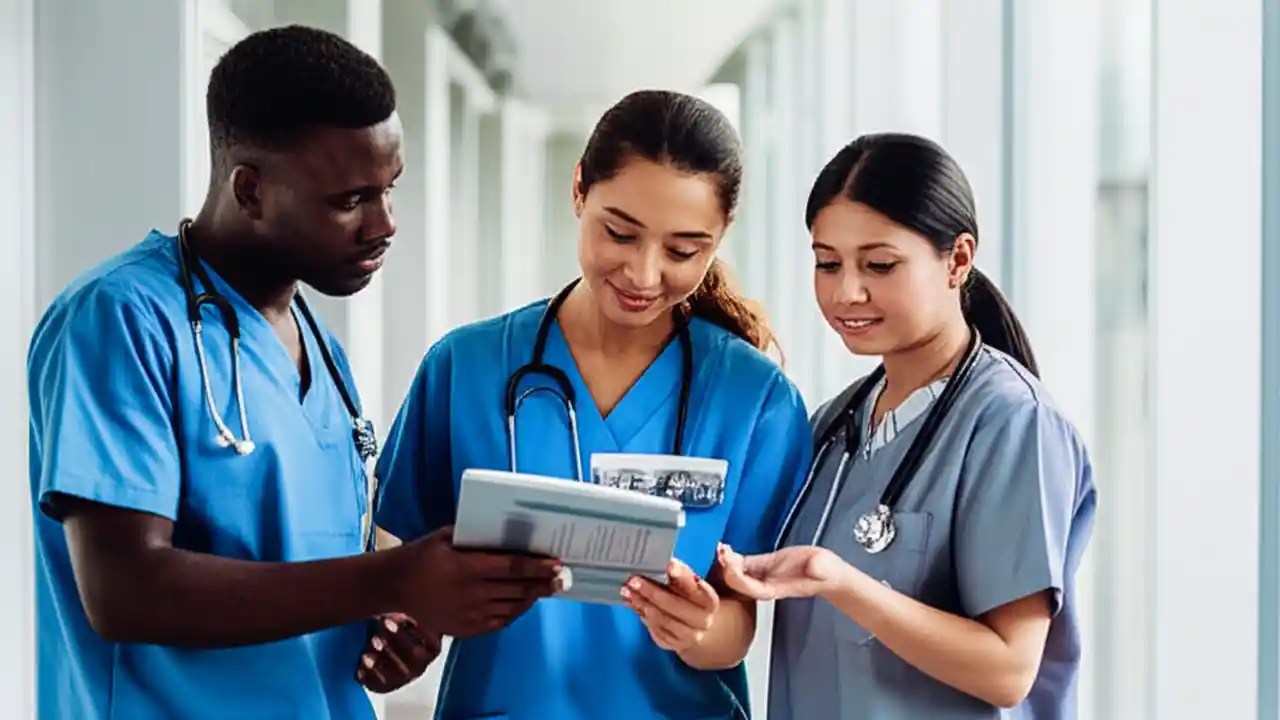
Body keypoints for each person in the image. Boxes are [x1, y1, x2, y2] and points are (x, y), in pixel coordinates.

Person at [27, 25, 558, 719]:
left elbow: (322, 586)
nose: (385, 223)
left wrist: (392, 623)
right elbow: (124, 590)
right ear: (249, 189)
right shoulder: (121, 320)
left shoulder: (324, 358)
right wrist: (389, 577)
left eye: (389, 188)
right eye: (349, 201)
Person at [373, 89, 813, 719]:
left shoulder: (757, 400)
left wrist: (696, 628)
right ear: (579, 189)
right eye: (619, 233)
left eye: (684, 250)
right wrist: (405, 629)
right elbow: (402, 578)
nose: (643, 273)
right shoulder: (464, 369)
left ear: (720, 238)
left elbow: (738, 626)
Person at [716, 133, 1098, 719]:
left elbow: (1009, 670)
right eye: (827, 263)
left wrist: (842, 583)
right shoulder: (831, 429)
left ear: (959, 260)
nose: (848, 291)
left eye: (881, 265)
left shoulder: (1013, 424)